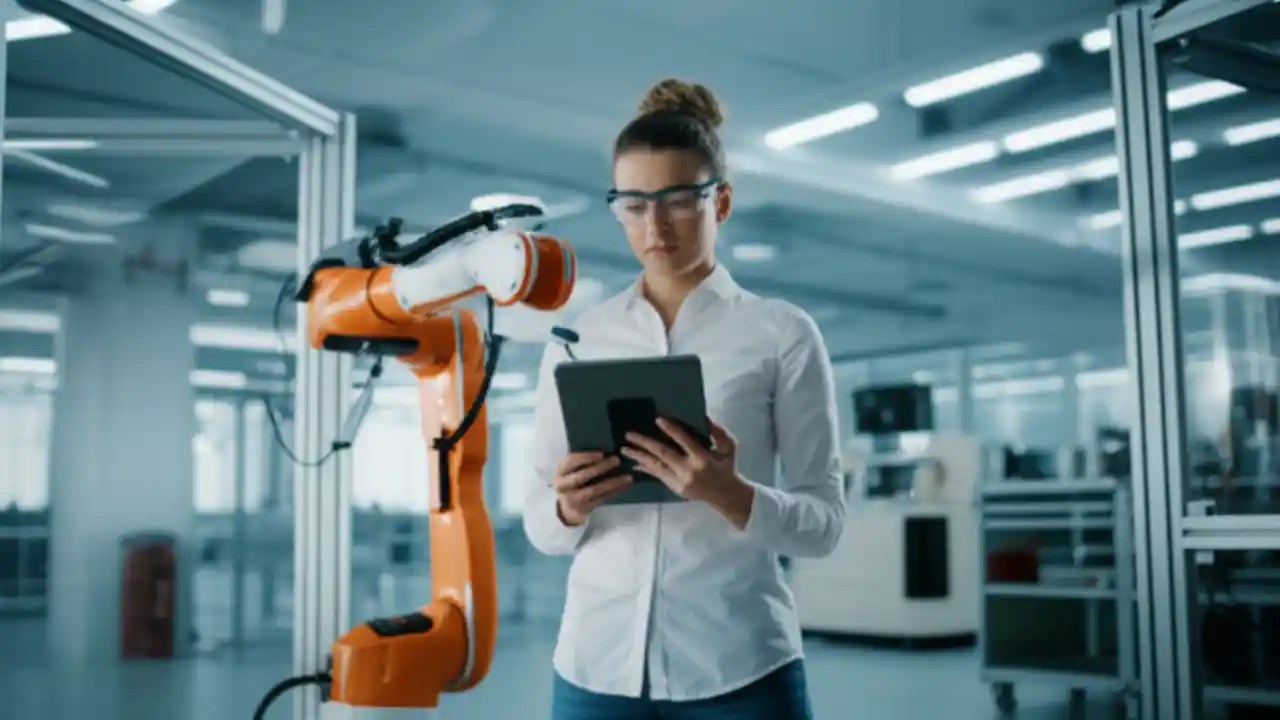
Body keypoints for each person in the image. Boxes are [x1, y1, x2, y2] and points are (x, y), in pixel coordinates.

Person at [522, 78, 846, 720]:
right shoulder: (578, 338)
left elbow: (825, 525)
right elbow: (539, 520)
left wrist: (733, 493)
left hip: (740, 667)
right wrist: (564, 506)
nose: (654, 224)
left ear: (720, 201)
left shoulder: (782, 332)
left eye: (676, 199)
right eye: (634, 204)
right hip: (595, 665)